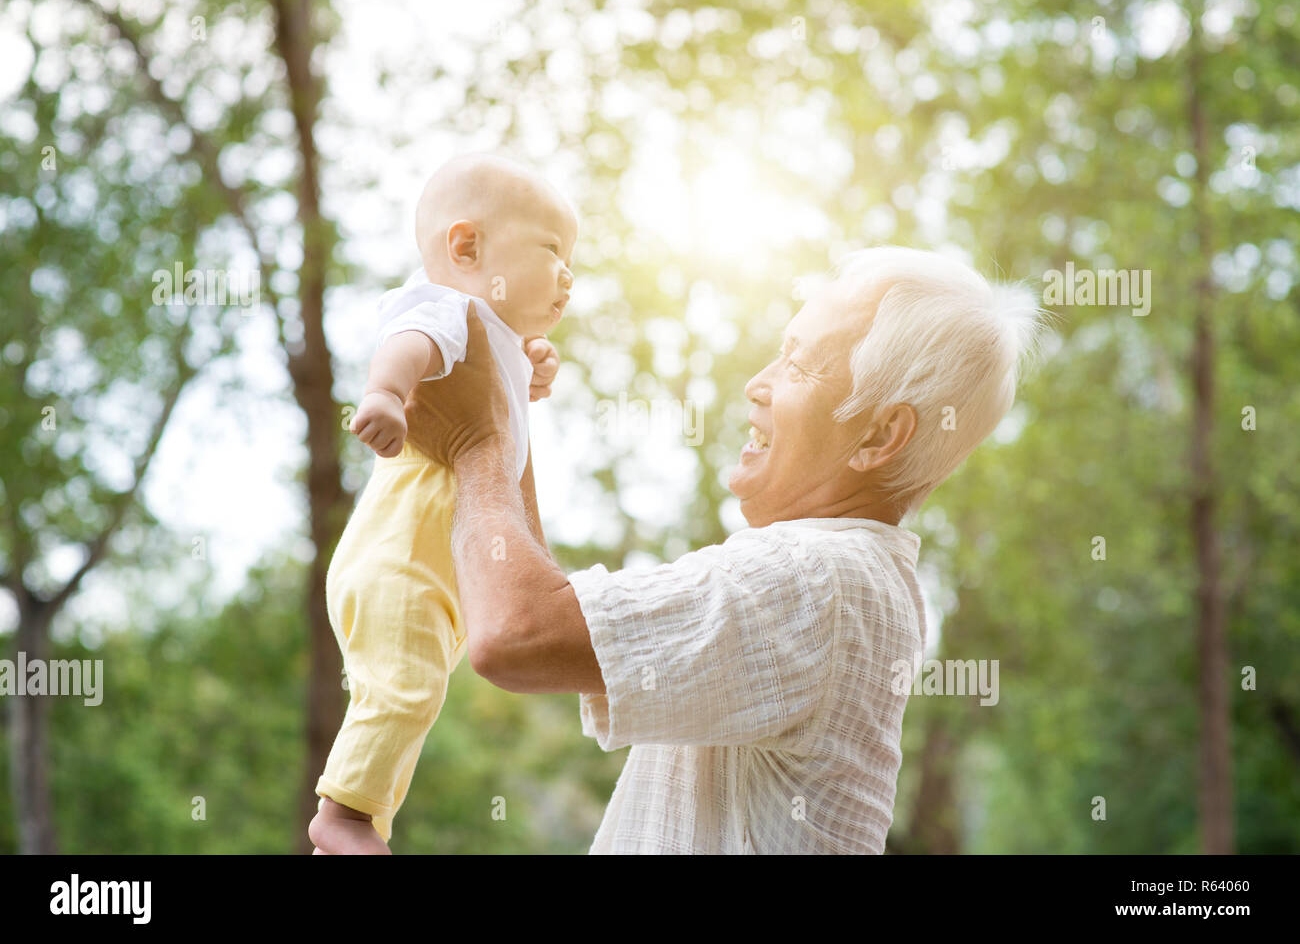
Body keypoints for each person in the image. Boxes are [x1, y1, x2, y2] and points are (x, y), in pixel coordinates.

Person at [323, 245, 1044, 854]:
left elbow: (516, 634)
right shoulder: (850, 582)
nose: (758, 384)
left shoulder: (816, 577)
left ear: (882, 436)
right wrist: (502, 404)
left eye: (799, 365)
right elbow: (546, 613)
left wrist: (478, 441)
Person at [308, 154, 577, 854]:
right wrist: (386, 396)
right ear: (467, 248)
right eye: (552, 250)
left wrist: (530, 370)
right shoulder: (448, 308)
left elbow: (497, 396)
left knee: (410, 699)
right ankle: (341, 819)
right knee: (404, 692)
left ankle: (361, 824)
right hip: (399, 557)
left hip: (441, 575)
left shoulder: (493, 337)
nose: (568, 274)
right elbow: (411, 341)